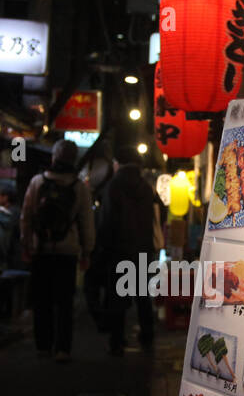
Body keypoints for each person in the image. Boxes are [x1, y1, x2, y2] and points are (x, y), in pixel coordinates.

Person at [21, 139, 94, 362]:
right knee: (64, 302)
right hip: (67, 251)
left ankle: (43, 345)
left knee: (42, 299)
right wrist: (86, 252)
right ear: (73, 160)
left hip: (41, 249)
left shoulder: (37, 182)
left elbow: (26, 217)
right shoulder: (79, 187)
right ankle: (63, 349)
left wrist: (26, 245)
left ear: (53, 157)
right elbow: (86, 222)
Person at [99, 146, 161, 356]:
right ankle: (147, 336)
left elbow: (106, 220)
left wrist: (103, 248)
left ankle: (116, 341)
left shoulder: (113, 186)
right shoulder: (146, 187)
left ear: (118, 164)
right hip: (144, 249)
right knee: (143, 296)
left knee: (117, 297)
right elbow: (157, 215)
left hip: (119, 250)